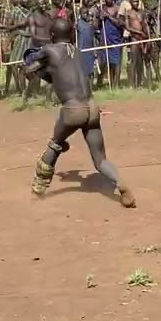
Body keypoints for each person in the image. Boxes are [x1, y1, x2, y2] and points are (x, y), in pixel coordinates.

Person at [24, 18, 134, 208]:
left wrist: (31, 69)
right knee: (100, 160)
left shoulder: (49, 50)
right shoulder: (77, 52)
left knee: (55, 145)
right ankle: (120, 183)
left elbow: (31, 61)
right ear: (72, 35)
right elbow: (59, 75)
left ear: (52, 35)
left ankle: (37, 192)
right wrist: (42, 71)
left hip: (73, 110)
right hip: (92, 109)